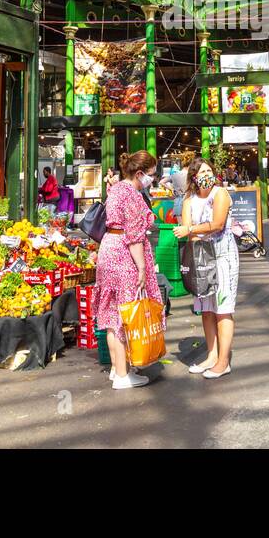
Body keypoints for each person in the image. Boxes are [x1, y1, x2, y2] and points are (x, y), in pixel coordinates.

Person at [92, 150, 165, 389]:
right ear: (140, 173)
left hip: (108, 251)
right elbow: (134, 236)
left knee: (113, 314)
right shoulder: (132, 196)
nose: (152, 179)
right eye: (151, 175)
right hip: (124, 254)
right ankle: (123, 375)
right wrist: (143, 267)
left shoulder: (116, 190)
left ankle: (117, 369)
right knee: (127, 312)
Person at [173, 158, 238, 379]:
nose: (206, 175)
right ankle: (212, 355)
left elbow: (218, 223)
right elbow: (186, 228)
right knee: (206, 308)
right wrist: (190, 230)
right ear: (193, 176)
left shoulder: (219, 193)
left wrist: (190, 228)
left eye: (209, 171)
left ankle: (223, 361)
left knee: (222, 308)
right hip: (201, 257)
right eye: (202, 172)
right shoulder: (189, 199)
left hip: (222, 256)